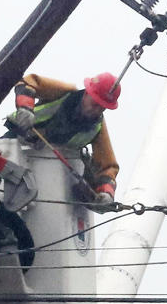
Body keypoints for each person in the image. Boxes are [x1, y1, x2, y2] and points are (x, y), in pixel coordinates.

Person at [8, 72, 120, 207]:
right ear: (87, 93)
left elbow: (108, 167)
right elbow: (28, 81)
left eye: (102, 107)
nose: (96, 110)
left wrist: (106, 193)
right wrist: (25, 108)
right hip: (14, 144)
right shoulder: (64, 93)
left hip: (47, 172)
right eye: (95, 103)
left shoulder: (97, 128)